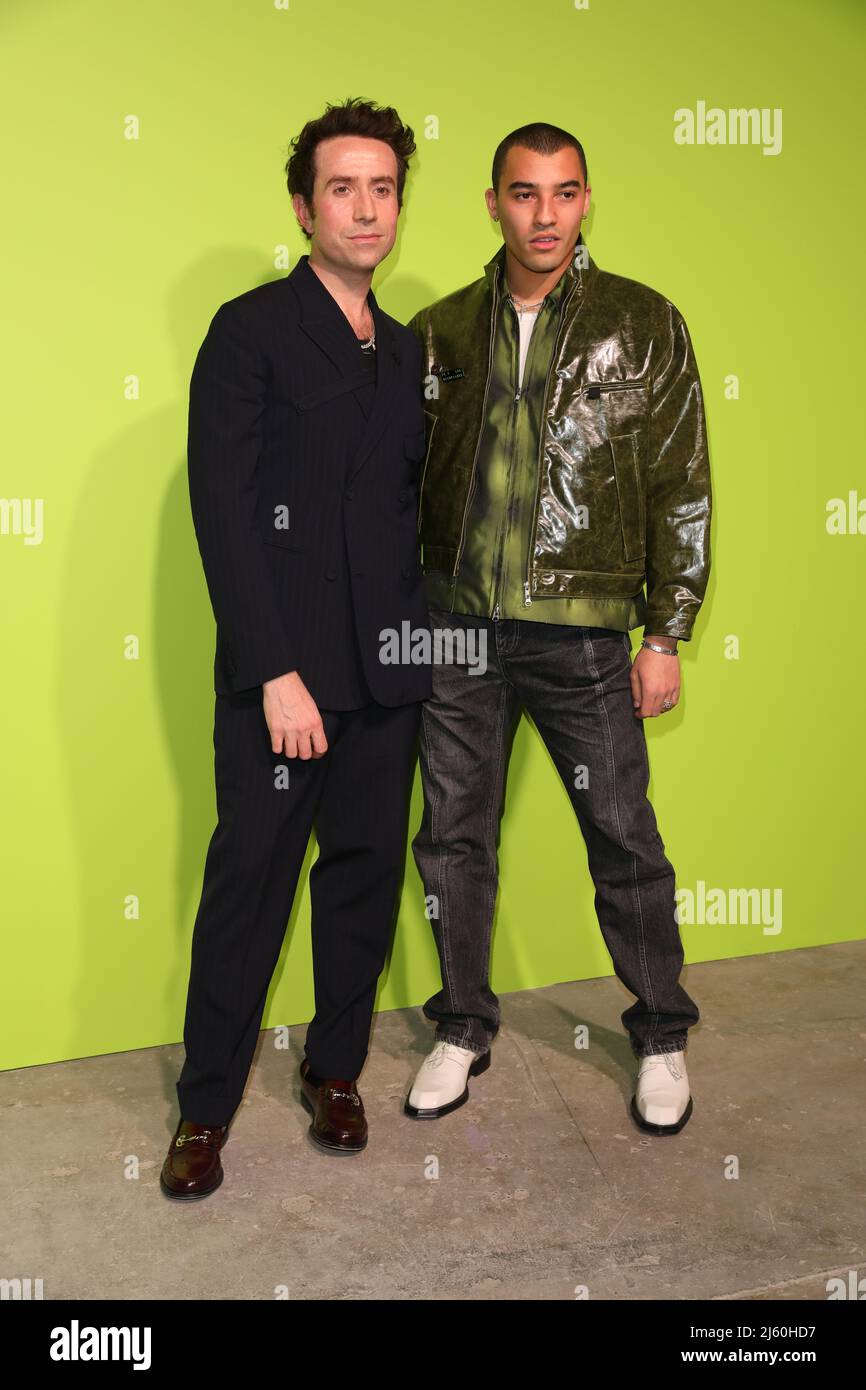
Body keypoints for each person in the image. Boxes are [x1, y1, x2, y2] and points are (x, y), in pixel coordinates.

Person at [405, 123, 711, 1136]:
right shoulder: (439, 330)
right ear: (489, 201)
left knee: (623, 837)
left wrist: (661, 632)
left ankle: (659, 1034)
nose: (545, 214)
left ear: (586, 201)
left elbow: (679, 483)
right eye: (524, 193)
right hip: (455, 631)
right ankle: (460, 1024)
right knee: (451, 839)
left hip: (581, 635)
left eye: (564, 193)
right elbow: (401, 489)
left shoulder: (643, 321)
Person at [161, 97, 432, 1200]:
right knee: (250, 887)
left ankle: (333, 1069)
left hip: (386, 671)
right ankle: (204, 1107)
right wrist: (273, 670)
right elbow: (224, 513)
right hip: (286, 673)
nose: (363, 209)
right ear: (302, 205)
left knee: (361, 884)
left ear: (398, 206)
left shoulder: (411, 347)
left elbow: (411, 511)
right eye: (341, 187)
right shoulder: (250, 329)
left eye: (381, 188)